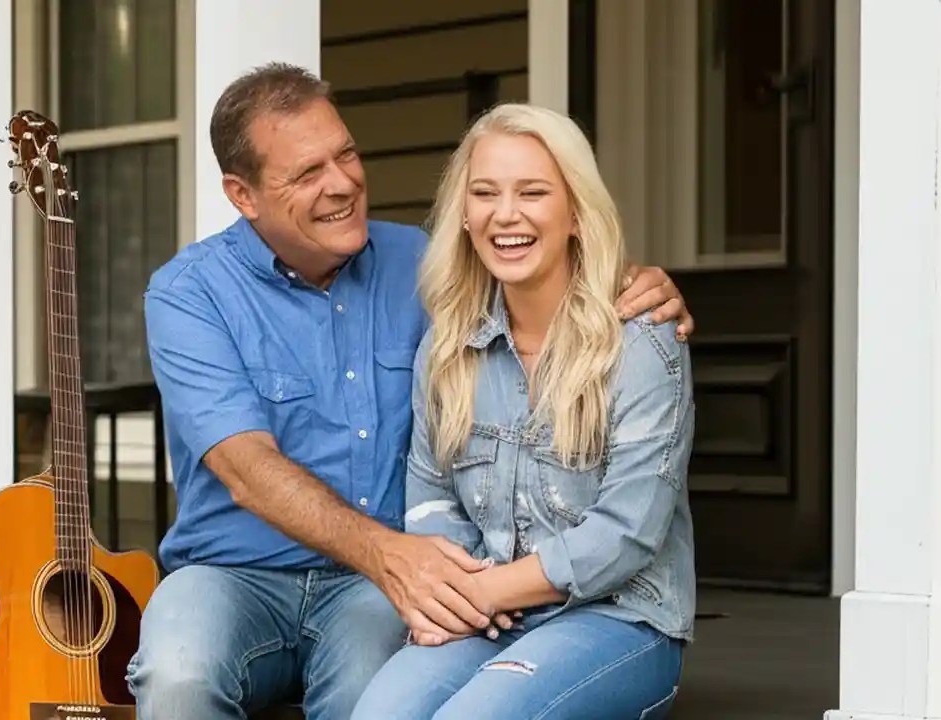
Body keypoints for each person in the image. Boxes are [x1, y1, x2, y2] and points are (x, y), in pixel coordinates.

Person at [126, 63, 694, 720]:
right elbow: (247, 470)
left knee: (370, 694)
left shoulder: (421, 266)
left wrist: (634, 283)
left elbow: (541, 272)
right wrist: (398, 558)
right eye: (307, 173)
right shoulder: (189, 294)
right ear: (242, 194)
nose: (342, 183)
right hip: (236, 575)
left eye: (345, 155)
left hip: (375, 588)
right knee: (177, 675)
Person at [350, 103, 695, 720]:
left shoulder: (641, 341)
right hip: (489, 617)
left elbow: (627, 532)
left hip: (618, 619)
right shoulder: (448, 347)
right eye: (485, 193)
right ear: (464, 214)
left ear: (576, 213)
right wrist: (455, 598)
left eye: (533, 192)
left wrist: (482, 592)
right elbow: (431, 500)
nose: (505, 214)